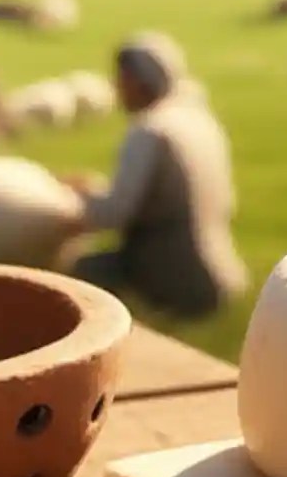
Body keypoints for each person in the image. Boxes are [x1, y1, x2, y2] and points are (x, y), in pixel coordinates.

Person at [66, 32, 247, 317]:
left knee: (72, 276)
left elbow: (113, 215)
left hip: (178, 282)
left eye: (121, 77)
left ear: (136, 81)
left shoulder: (151, 131)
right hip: (225, 275)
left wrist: (79, 195)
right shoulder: (198, 117)